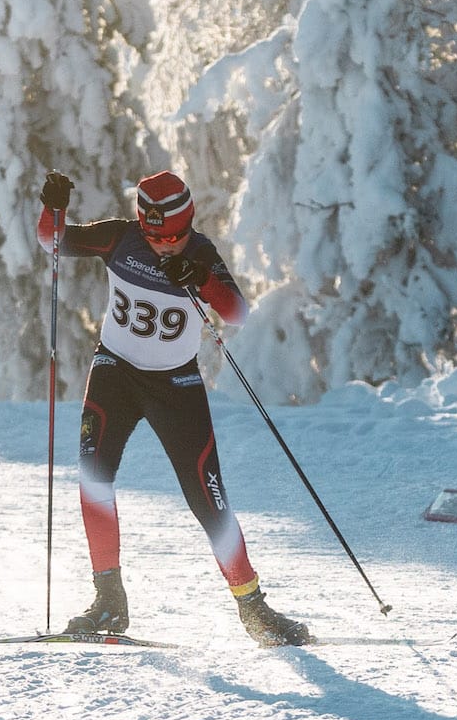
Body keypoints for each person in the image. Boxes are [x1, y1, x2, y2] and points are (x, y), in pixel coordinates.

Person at [36, 168, 311, 646]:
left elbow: (237, 313)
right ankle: (109, 602)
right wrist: (52, 207)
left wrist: (201, 278)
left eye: (178, 235)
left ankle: (255, 609)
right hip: (114, 375)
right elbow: (52, 241)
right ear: (142, 226)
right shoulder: (119, 239)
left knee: (209, 499)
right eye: (158, 236)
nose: (168, 245)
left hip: (176, 385)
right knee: (93, 479)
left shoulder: (200, 253)